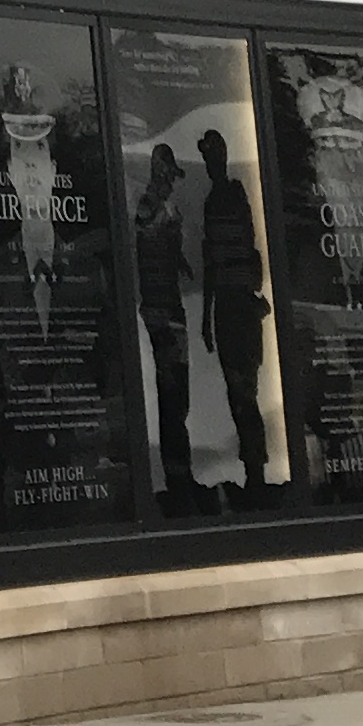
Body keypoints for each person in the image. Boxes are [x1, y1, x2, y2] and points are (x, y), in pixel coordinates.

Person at [196, 127, 275, 499]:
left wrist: (211, 315)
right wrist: (206, 318)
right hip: (230, 307)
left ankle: (256, 470)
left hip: (238, 306)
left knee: (244, 392)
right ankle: (253, 470)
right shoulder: (215, 200)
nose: (211, 163)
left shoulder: (229, 196)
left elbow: (239, 255)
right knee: (239, 392)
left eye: (213, 156)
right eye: (207, 157)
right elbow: (213, 263)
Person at [132, 143, 198, 503]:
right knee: (171, 392)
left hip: (172, 308)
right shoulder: (149, 205)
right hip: (159, 311)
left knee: (179, 395)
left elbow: (165, 247)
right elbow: (144, 228)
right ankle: (177, 477)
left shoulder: (165, 207)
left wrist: (180, 260)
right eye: (168, 176)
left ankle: (182, 472)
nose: (172, 182)